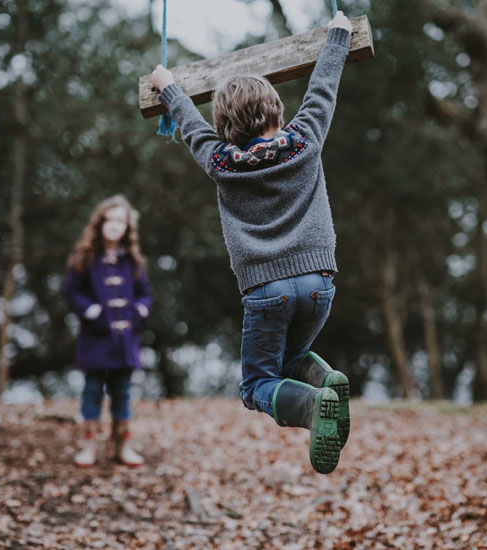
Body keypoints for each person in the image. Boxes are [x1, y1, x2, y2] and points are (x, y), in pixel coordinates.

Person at [151, 11, 353, 474]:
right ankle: (327, 381)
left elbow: (189, 125)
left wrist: (168, 85)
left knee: (257, 384)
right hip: (320, 284)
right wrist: (338, 32)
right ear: (278, 110)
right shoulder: (306, 140)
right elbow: (324, 87)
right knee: (293, 357)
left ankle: (313, 407)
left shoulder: (221, 161)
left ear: (227, 125)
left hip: (267, 291)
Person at [62, 195, 151, 467]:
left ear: (127, 227)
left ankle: (122, 447)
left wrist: (138, 311)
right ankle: (89, 446)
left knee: (122, 392)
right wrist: (93, 312)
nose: (114, 226)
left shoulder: (133, 261)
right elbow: (70, 291)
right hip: (95, 339)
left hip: (125, 341)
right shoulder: (84, 257)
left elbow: (145, 295)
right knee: (92, 391)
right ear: (99, 223)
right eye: (109, 220)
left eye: (120, 221)